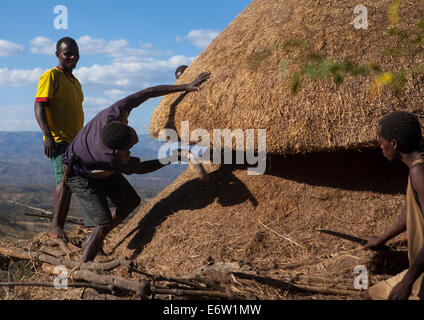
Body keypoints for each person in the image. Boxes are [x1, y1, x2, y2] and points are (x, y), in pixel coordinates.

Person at [62, 71, 211, 262]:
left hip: (97, 165)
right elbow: (141, 168)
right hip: (80, 172)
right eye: (130, 148)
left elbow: (146, 93)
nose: (133, 148)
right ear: (119, 150)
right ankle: (83, 269)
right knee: (102, 222)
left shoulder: (115, 112)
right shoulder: (112, 158)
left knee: (130, 201)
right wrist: (172, 157)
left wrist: (185, 86)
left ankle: (96, 241)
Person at [363, 111, 424, 300]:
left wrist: (407, 281)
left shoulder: (418, 173)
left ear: (394, 144)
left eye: (381, 141)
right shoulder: (419, 164)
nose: (380, 146)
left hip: (421, 277)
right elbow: (414, 209)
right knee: (370, 295)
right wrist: (382, 238)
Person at [34, 37, 84, 240]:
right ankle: (55, 228)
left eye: (75, 52)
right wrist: (47, 136)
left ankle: (58, 226)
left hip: (75, 142)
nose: (72, 56)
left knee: (71, 182)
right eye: (67, 53)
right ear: (58, 55)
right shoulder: (51, 76)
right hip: (59, 139)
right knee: (65, 181)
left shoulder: (75, 81)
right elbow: (39, 106)